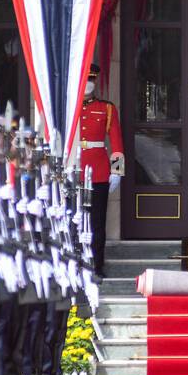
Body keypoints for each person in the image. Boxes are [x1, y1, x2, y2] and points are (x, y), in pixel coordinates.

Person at [77, 63, 124, 277]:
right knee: (75, 218)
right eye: (85, 79)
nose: (88, 83)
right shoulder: (70, 108)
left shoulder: (106, 108)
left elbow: (116, 142)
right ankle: (76, 263)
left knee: (97, 222)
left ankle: (97, 265)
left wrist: (117, 171)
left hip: (98, 172)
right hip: (74, 172)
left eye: (91, 79)